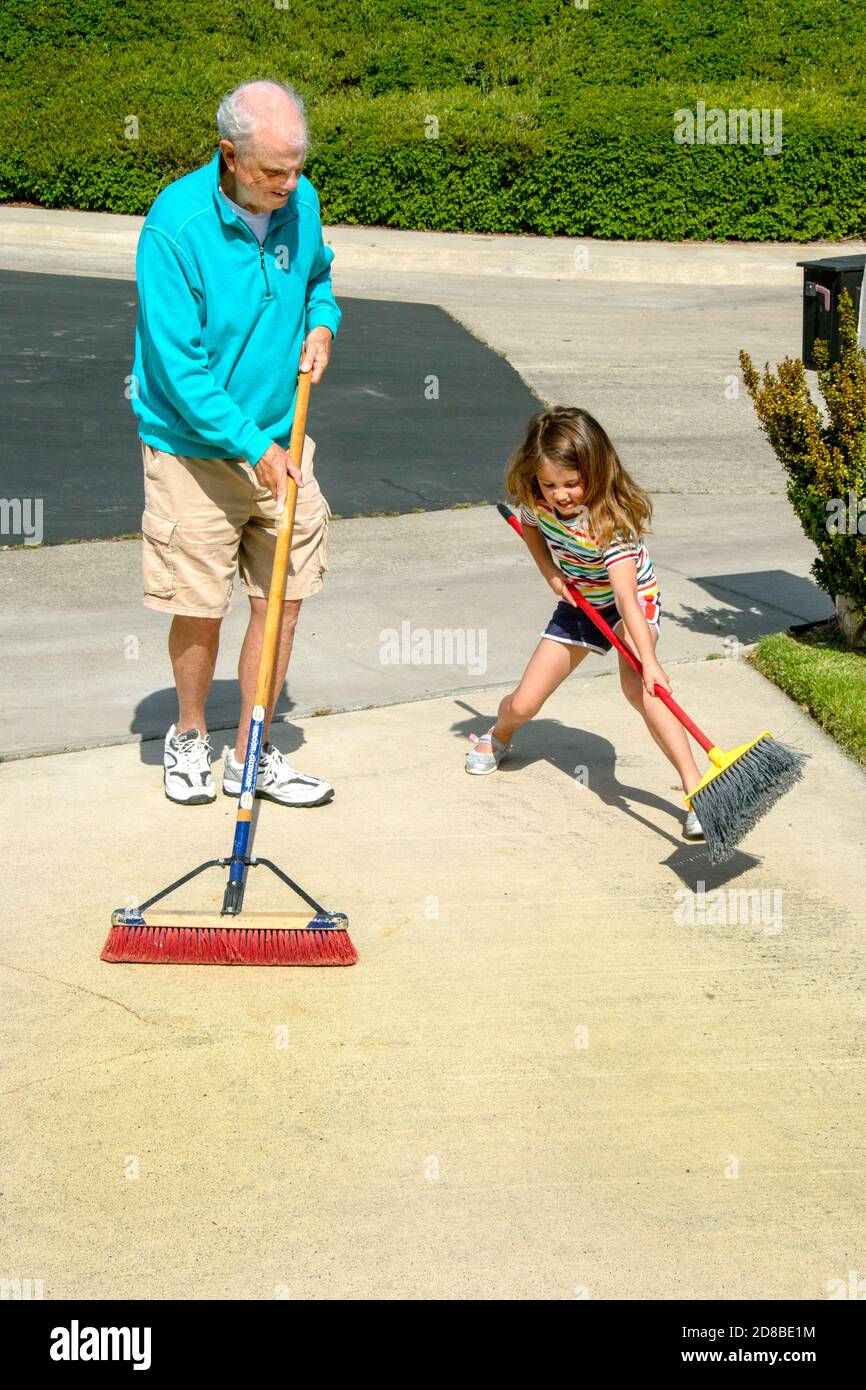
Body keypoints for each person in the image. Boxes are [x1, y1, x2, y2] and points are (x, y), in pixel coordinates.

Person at [131, 79, 340, 807]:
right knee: (200, 602)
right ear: (229, 156)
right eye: (273, 171)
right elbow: (177, 366)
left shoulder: (300, 203)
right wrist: (252, 444)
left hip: (284, 438)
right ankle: (189, 736)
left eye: (298, 167)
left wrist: (322, 323)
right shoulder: (175, 227)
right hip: (194, 449)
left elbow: (319, 278)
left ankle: (254, 745)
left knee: (281, 596)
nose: (289, 184)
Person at [465, 406, 705, 841]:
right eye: (550, 484)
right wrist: (551, 573)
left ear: (595, 469)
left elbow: (626, 597)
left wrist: (649, 661)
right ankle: (498, 736)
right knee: (524, 705)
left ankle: (698, 791)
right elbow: (530, 528)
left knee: (642, 689)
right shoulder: (539, 502)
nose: (560, 495)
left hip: (630, 601)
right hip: (580, 606)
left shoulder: (609, 523)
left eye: (572, 483)